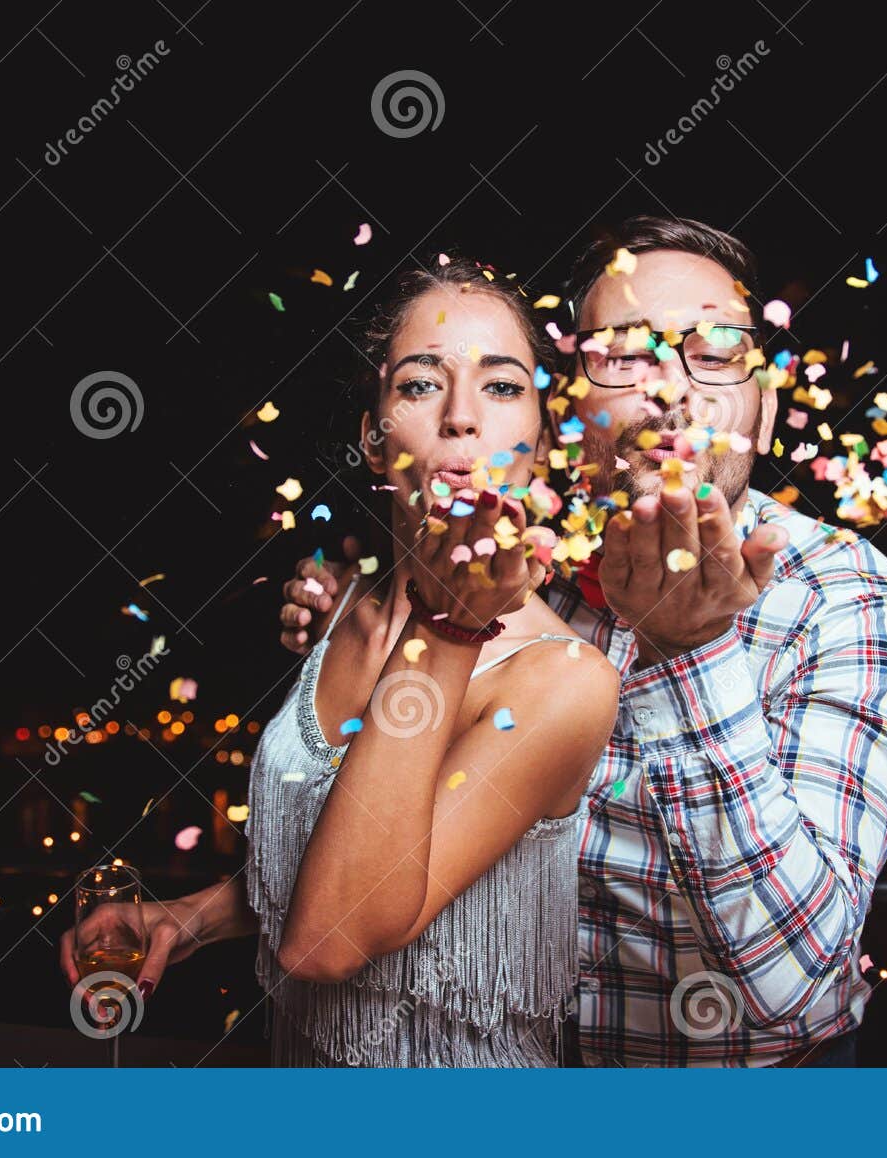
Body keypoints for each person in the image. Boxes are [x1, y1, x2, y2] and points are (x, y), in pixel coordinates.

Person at [283, 217, 887, 1067]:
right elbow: (404, 840)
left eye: (716, 352)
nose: (669, 388)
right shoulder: (522, 575)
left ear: (767, 413)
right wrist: (357, 603)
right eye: (622, 353)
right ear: (571, 415)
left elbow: (794, 984)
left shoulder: (847, 599)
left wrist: (689, 654)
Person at [60, 256, 620, 1067]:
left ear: (541, 435)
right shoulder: (343, 604)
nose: (462, 417)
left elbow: (327, 940)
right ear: (372, 438)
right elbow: (347, 850)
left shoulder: (563, 681)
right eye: (421, 384)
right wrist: (193, 917)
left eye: (502, 386)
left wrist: (448, 626)